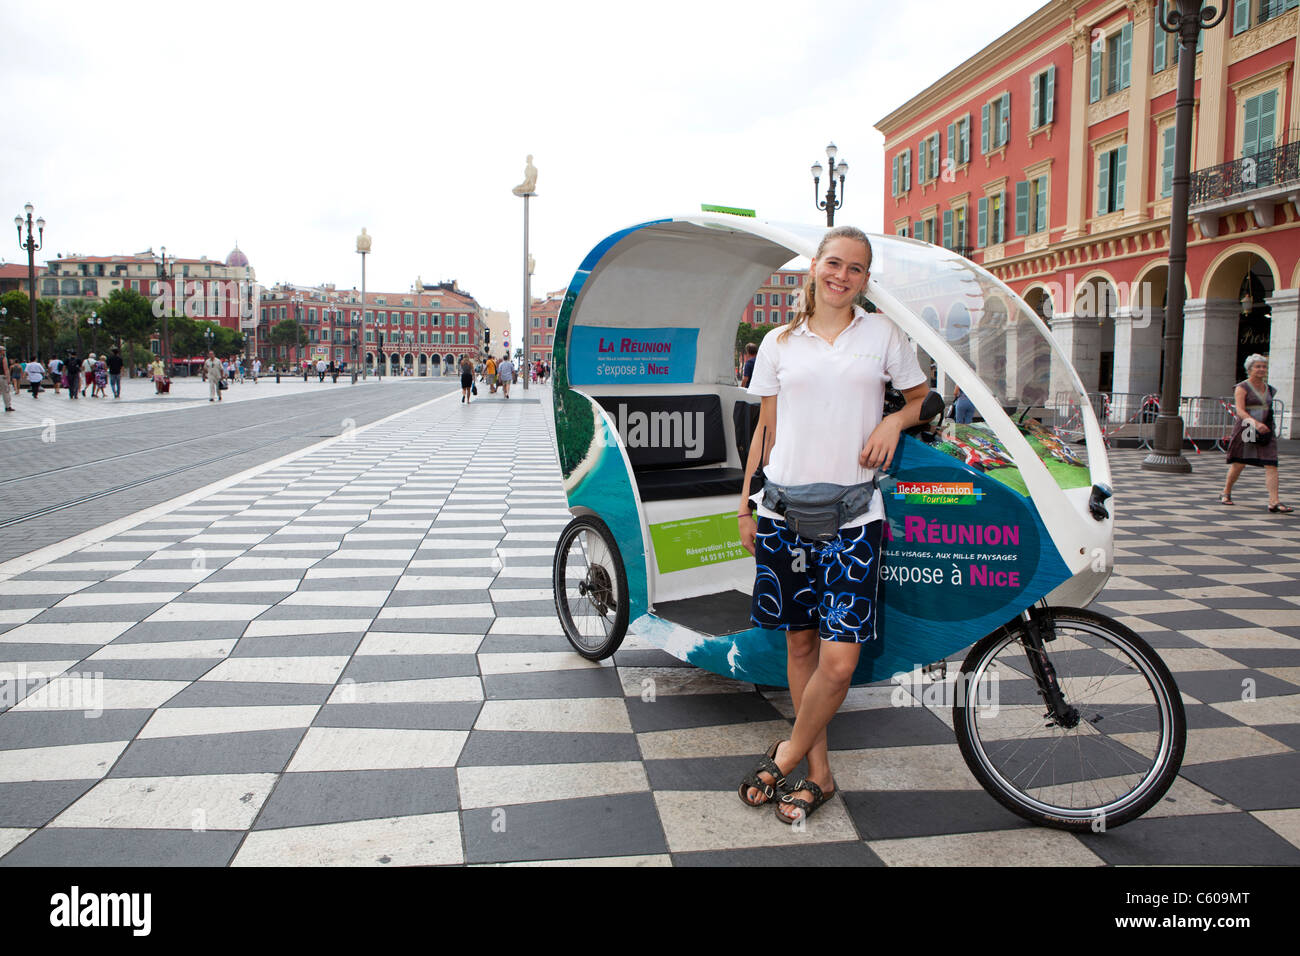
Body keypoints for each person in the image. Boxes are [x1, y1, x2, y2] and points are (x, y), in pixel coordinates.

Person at [736, 225, 930, 824]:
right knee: (800, 644)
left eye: (856, 269)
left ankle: (786, 751)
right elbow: (765, 428)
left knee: (839, 659)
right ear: (815, 266)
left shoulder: (883, 335)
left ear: (866, 280)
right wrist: (745, 502)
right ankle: (818, 774)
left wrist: (895, 422)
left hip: (854, 514)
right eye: (834, 263)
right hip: (784, 511)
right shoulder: (778, 342)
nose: (842, 276)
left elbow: (920, 397)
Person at [1222, 353, 1291, 513]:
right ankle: (1226, 492)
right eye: (1258, 366)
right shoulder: (1242, 387)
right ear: (1249, 369)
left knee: (1271, 464)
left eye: (1264, 366)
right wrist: (1255, 423)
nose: (1261, 369)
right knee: (1239, 463)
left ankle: (1274, 501)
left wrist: (1264, 425)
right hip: (1246, 428)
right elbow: (1239, 410)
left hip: (1266, 430)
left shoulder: (1269, 389)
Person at [0, 346, 13, 412]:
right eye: (4, 350)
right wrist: (8, 378)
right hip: (2, 377)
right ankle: (8, 406)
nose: (4, 351)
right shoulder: (3, 358)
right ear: (1, 351)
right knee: (5, 392)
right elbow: (6, 369)